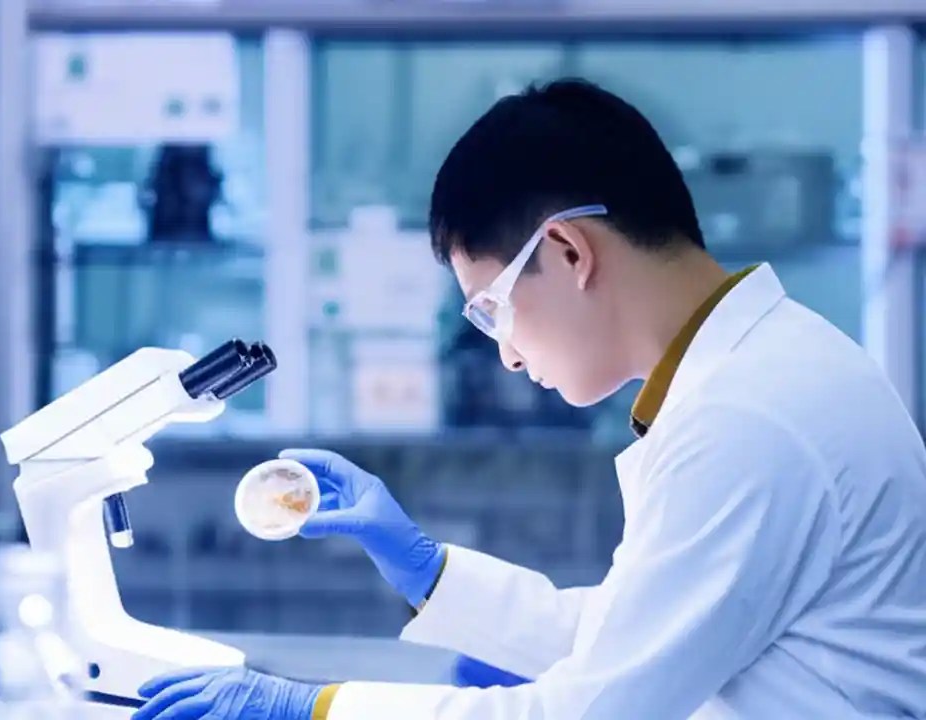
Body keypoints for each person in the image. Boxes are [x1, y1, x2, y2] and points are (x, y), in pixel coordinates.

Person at [130, 79, 926, 719]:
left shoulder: (746, 420)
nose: (505, 354)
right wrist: (429, 573)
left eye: (491, 309)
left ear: (570, 251)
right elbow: (632, 642)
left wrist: (316, 708)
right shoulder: (761, 372)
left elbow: (588, 709)